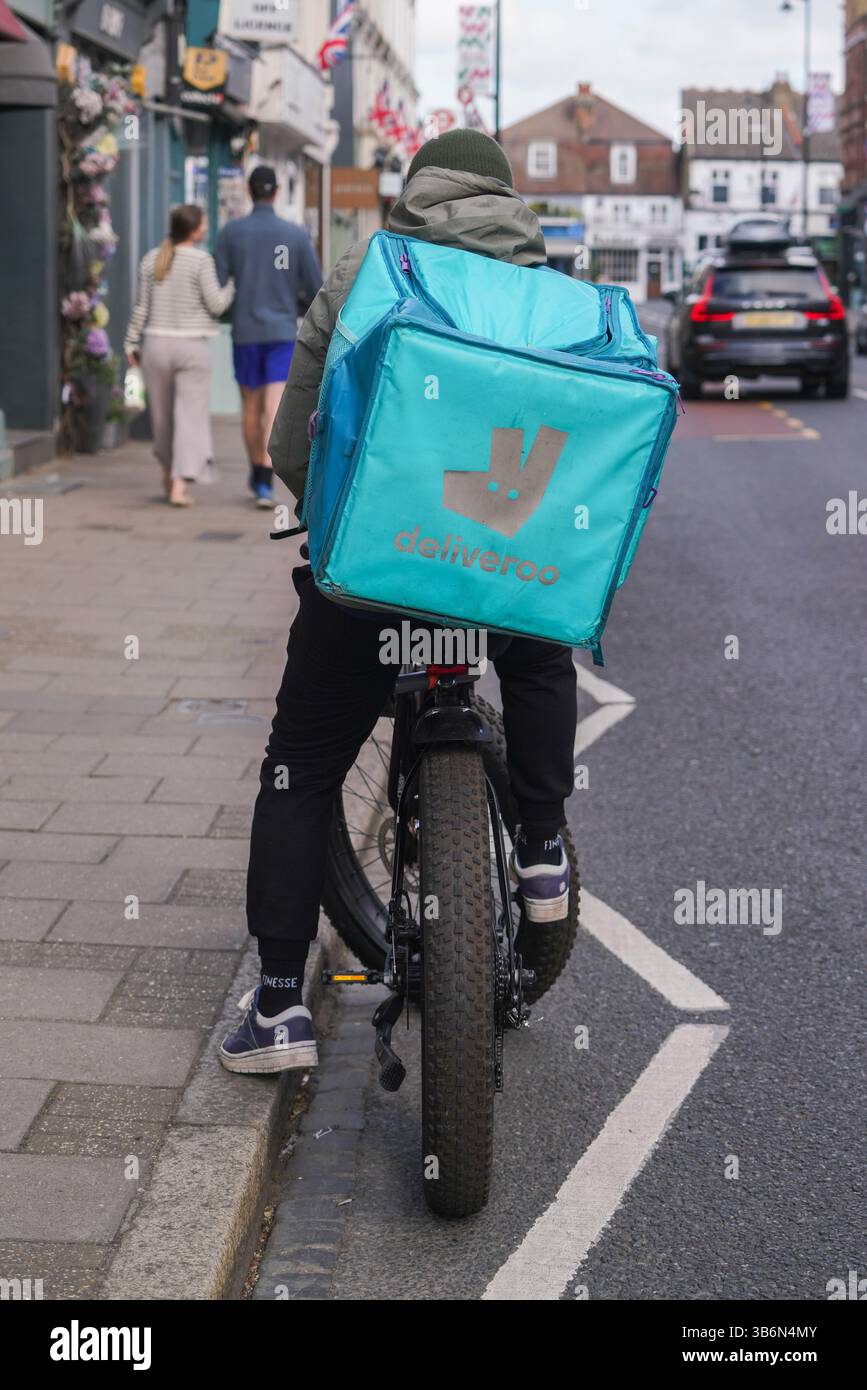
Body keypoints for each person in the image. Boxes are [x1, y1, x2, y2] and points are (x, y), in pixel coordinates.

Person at [220, 131, 577, 1074]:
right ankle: (541, 850)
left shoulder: (365, 273)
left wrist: (318, 513)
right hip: (503, 567)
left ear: (414, 194)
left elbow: (295, 437)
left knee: (298, 768)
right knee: (540, 652)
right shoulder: (554, 293)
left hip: (378, 569)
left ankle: (276, 1012)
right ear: (506, 197)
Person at [215, 165, 324, 509]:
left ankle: (257, 475)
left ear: (249, 191)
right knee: (273, 403)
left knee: (249, 404)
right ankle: (265, 478)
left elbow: (218, 281)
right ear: (276, 192)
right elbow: (316, 285)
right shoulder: (295, 235)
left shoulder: (231, 232)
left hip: (245, 330)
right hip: (281, 330)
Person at [125, 205, 234, 507]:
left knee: (162, 420)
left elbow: (141, 308)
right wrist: (233, 286)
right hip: (191, 349)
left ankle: (166, 470)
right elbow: (216, 305)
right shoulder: (201, 261)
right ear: (195, 229)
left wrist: (131, 343)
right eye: (204, 223)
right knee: (190, 418)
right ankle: (178, 485)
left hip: (156, 346)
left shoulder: (151, 259)